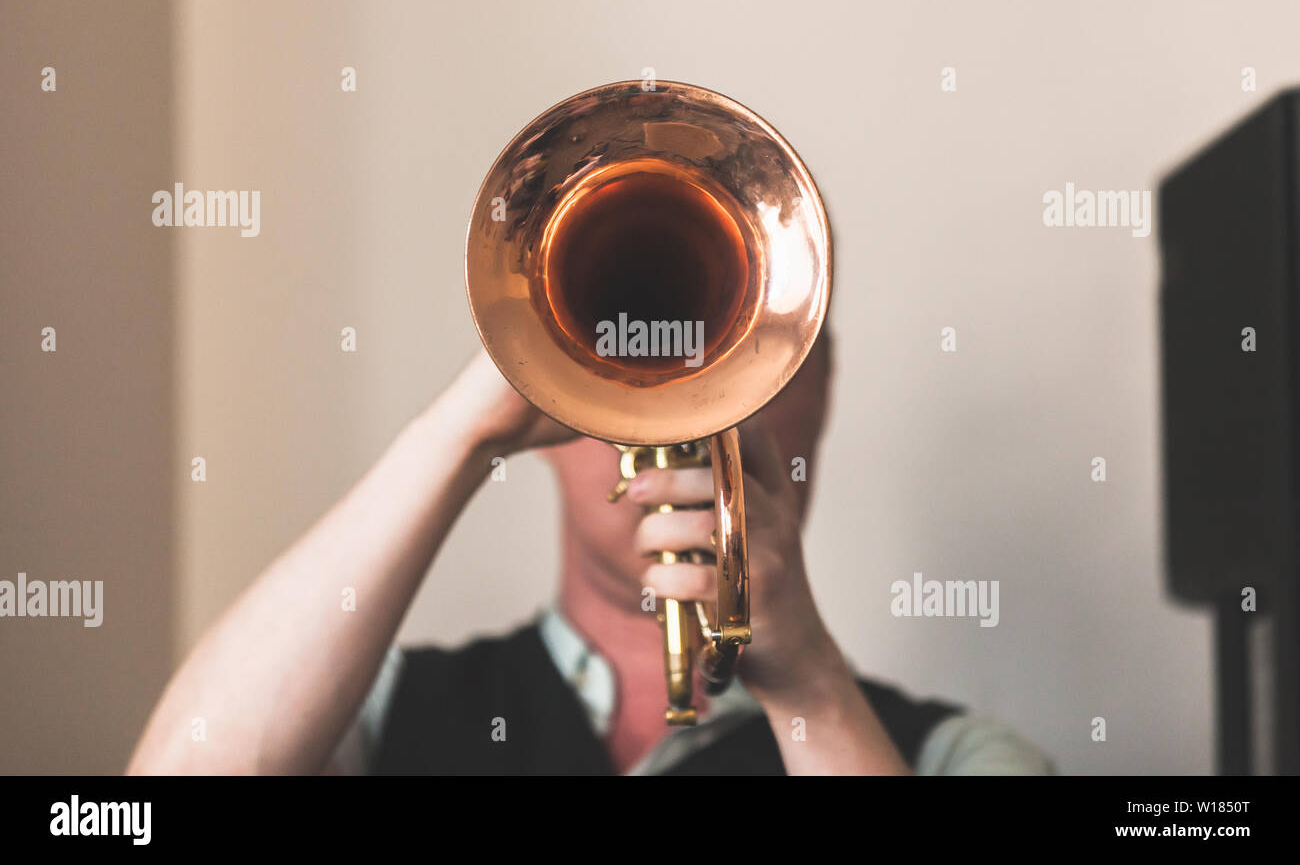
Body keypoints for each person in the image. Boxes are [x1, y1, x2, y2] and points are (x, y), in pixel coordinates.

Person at [129, 332, 1051, 775]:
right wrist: (461, 431)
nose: (685, 396)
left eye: (751, 352)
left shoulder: (951, 756)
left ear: (823, 397)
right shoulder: (384, 711)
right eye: (621, 353)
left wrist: (810, 691)